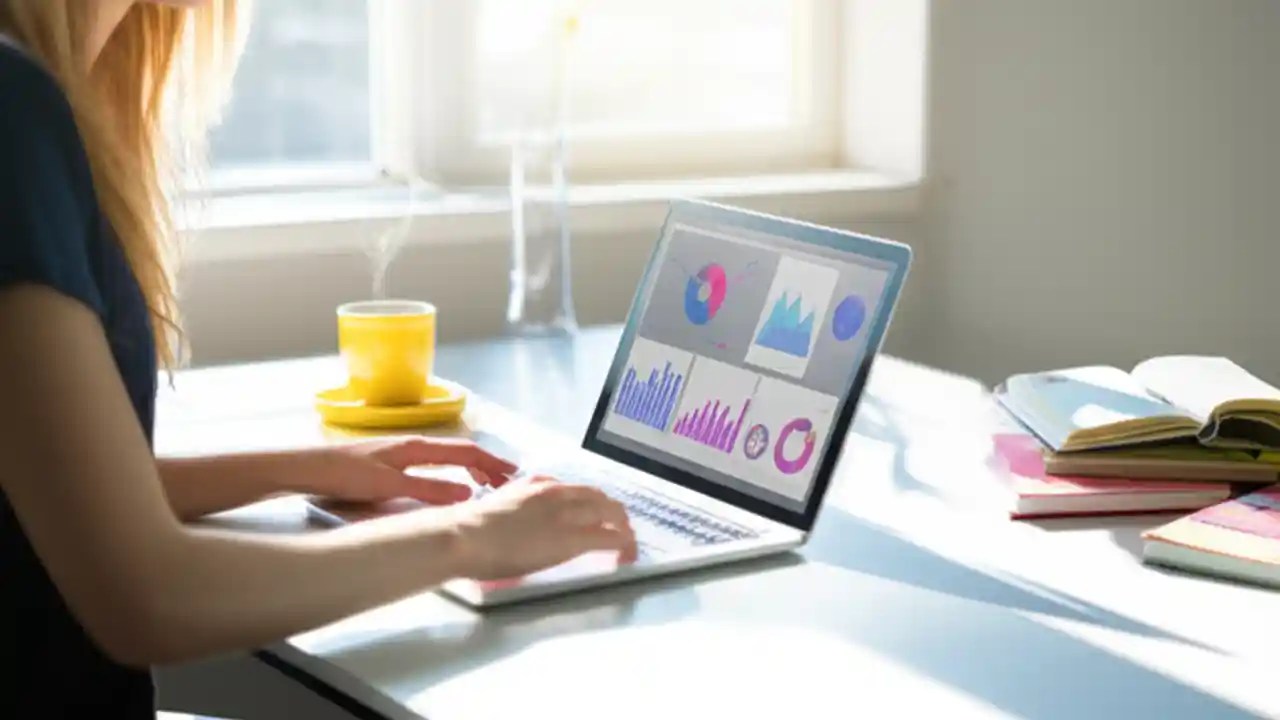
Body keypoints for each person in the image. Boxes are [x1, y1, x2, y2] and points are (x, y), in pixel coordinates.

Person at [0, 1, 638, 717]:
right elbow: (146, 594)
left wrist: (304, 468)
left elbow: (60, 496)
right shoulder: (13, 112)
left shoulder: (35, 95)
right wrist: (472, 537)